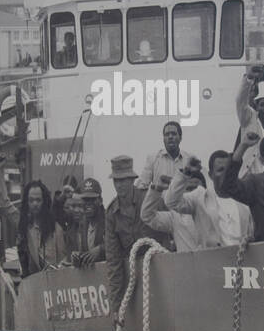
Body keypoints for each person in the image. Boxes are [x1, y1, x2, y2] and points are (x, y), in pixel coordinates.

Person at [104, 156, 172, 312]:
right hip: (135, 278)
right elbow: (113, 261)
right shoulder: (111, 213)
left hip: (162, 271)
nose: (119, 185)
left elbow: (169, 232)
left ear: (131, 180)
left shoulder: (150, 199)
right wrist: (117, 308)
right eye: (116, 181)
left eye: (123, 180)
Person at [164, 150, 253, 248]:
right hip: (211, 260)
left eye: (229, 170)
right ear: (211, 175)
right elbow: (171, 202)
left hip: (241, 260)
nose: (226, 174)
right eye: (220, 170)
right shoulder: (200, 197)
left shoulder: (245, 201)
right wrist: (186, 171)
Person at [16, 180, 68, 276]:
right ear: (27, 202)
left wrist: (57, 268)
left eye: (38, 200)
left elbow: (63, 260)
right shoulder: (24, 226)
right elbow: (4, 204)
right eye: (31, 200)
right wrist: (1, 170)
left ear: (44, 201)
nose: (35, 204)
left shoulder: (56, 228)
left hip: (53, 282)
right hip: (32, 283)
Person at [137, 120, 197, 190]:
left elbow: (196, 186)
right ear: (163, 139)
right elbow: (141, 186)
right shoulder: (153, 159)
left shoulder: (189, 160)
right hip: (159, 200)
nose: (170, 137)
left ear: (180, 138)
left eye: (174, 134)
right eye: (167, 134)